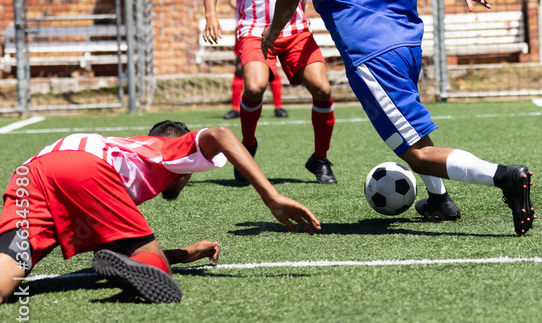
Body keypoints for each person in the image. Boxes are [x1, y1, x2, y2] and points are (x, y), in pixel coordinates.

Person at [262, 0, 535, 236]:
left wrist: (273, 30)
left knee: (415, 153)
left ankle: (505, 177)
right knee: (414, 130)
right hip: (408, 41)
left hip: (371, 55)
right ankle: (439, 200)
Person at [0, 120, 320, 304]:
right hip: (88, 168)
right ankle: (144, 270)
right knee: (159, 273)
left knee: (6, 277)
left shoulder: (125, 150)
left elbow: (104, 231)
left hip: (34, 171)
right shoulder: (164, 148)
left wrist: (183, 254)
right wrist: (271, 196)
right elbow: (221, 134)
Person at [203, 0, 336, 184]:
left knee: (323, 90)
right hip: (253, 31)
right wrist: (210, 15)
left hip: (297, 31)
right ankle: (247, 145)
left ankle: (320, 159)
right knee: (253, 88)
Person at [223, 0, 288, 120]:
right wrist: (251, 9)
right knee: (240, 67)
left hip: (270, 26)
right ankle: (235, 108)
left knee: (271, 67)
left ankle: (278, 106)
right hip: (247, 27)